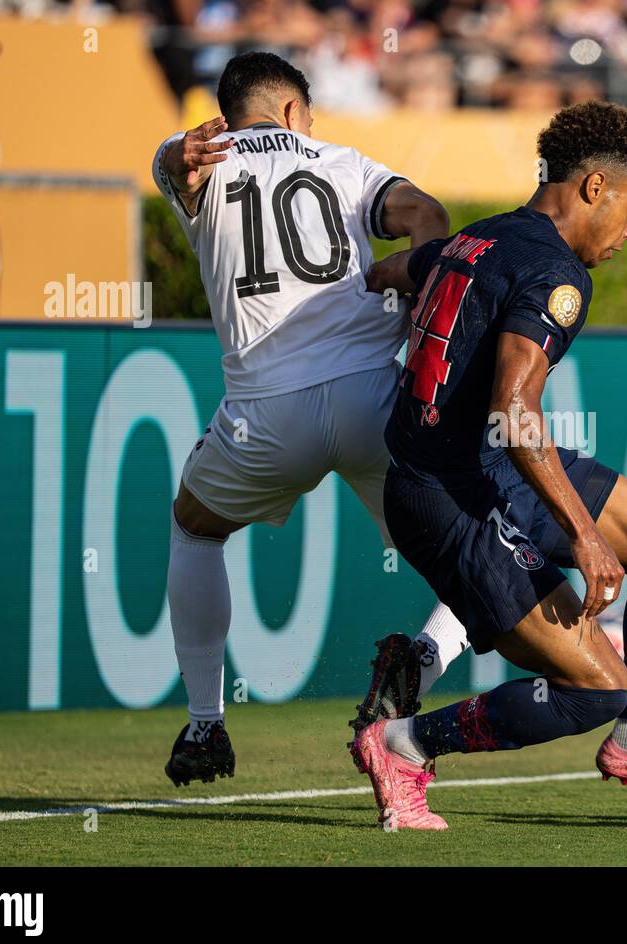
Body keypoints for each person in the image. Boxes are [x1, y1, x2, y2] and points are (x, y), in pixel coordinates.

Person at [353, 101, 627, 831]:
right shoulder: (558, 275)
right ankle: (401, 744)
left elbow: (388, 270)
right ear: (593, 189)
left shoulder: (478, 239)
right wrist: (583, 534)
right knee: (595, 689)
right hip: (451, 499)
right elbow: (516, 411)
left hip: (487, 471)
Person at [150, 50, 470, 786]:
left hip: (265, 414)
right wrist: (419, 290)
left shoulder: (203, 161)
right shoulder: (345, 162)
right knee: (474, 548)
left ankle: (205, 725)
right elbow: (430, 217)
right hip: (373, 398)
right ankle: (418, 662)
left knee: (194, 528)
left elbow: (176, 166)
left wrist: (173, 154)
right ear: (295, 111)